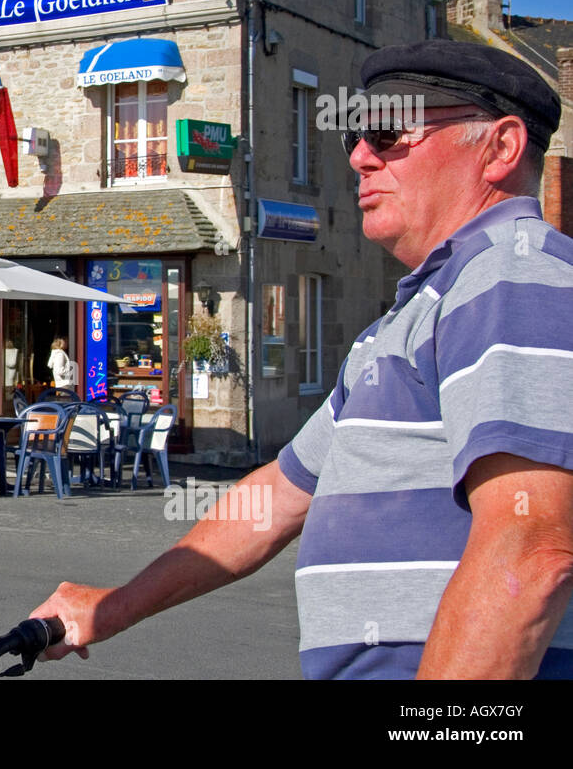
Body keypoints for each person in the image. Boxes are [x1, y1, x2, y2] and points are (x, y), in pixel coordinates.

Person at [31, 40, 573, 679]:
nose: (361, 158)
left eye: (388, 132)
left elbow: (533, 546)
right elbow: (275, 500)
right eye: (353, 138)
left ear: (501, 148)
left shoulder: (512, 275)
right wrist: (111, 606)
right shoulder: (410, 318)